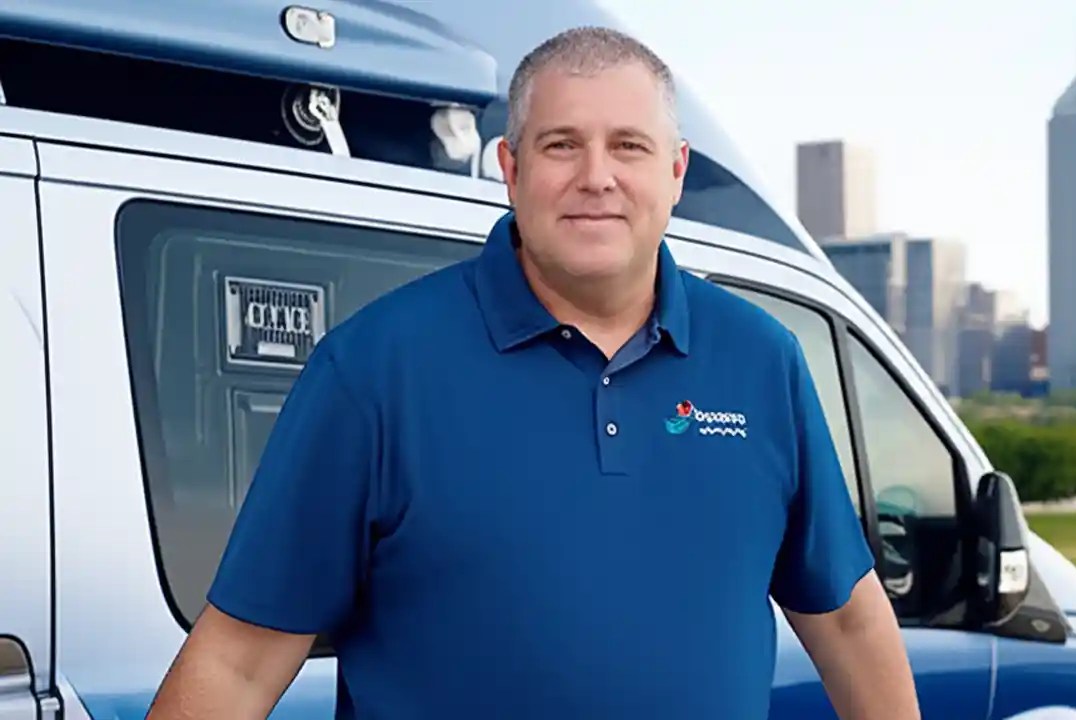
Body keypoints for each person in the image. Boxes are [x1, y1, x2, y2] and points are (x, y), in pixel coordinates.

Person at [145, 25, 920, 720]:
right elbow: (239, 664)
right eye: (560, 145)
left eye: (628, 145)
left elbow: (848, 620)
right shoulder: (373, 370)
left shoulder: (763, 361)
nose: (596, 176)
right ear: (510, 169)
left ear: (675, 171)